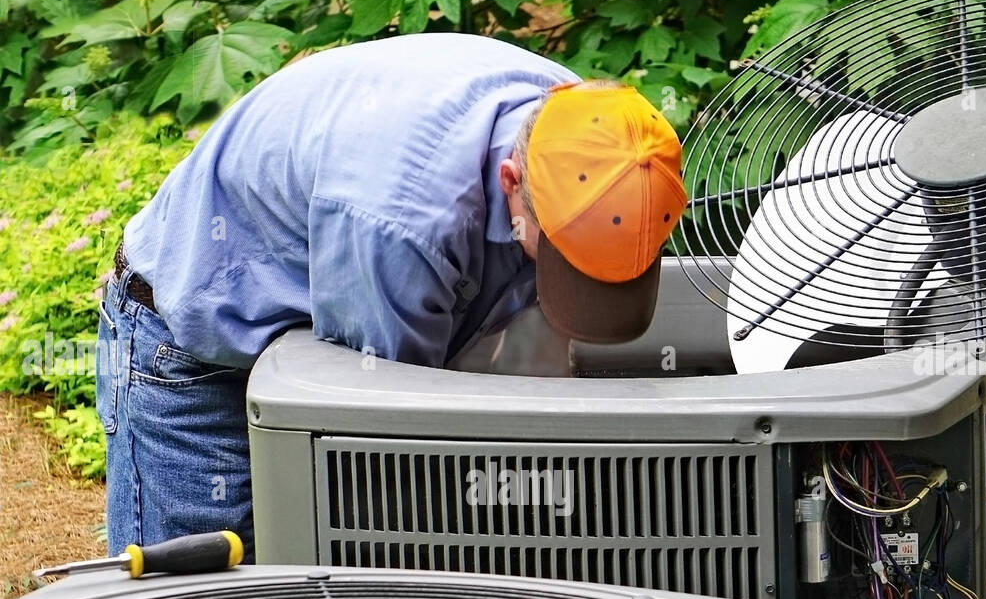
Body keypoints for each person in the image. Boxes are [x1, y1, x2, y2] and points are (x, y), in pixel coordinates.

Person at [97, 33, 687, 559]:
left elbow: (522, 369)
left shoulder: (597, 137)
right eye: (562, 260)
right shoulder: (404, 223)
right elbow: (377, 439)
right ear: (512, 182)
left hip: (328, 304)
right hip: (195, 349)